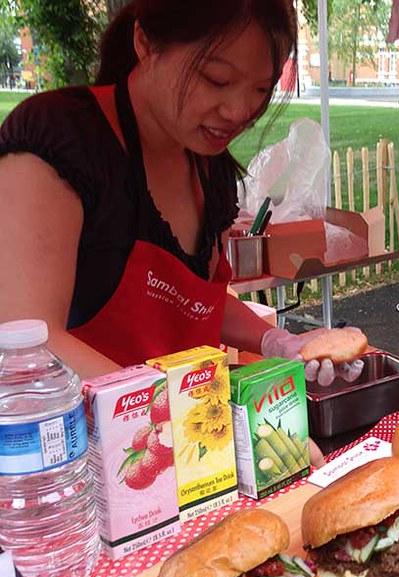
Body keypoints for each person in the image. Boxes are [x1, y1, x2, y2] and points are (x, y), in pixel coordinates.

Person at [0, 1, 364, 462]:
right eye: (216, 79)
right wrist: (192, 428)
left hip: (188, 466)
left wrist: (277, 342)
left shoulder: (206, 166)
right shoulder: (61, 141)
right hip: (78, 475)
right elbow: (26, 339)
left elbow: (194, 303)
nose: (238, 110)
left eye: (260, 88)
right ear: (146, 41)